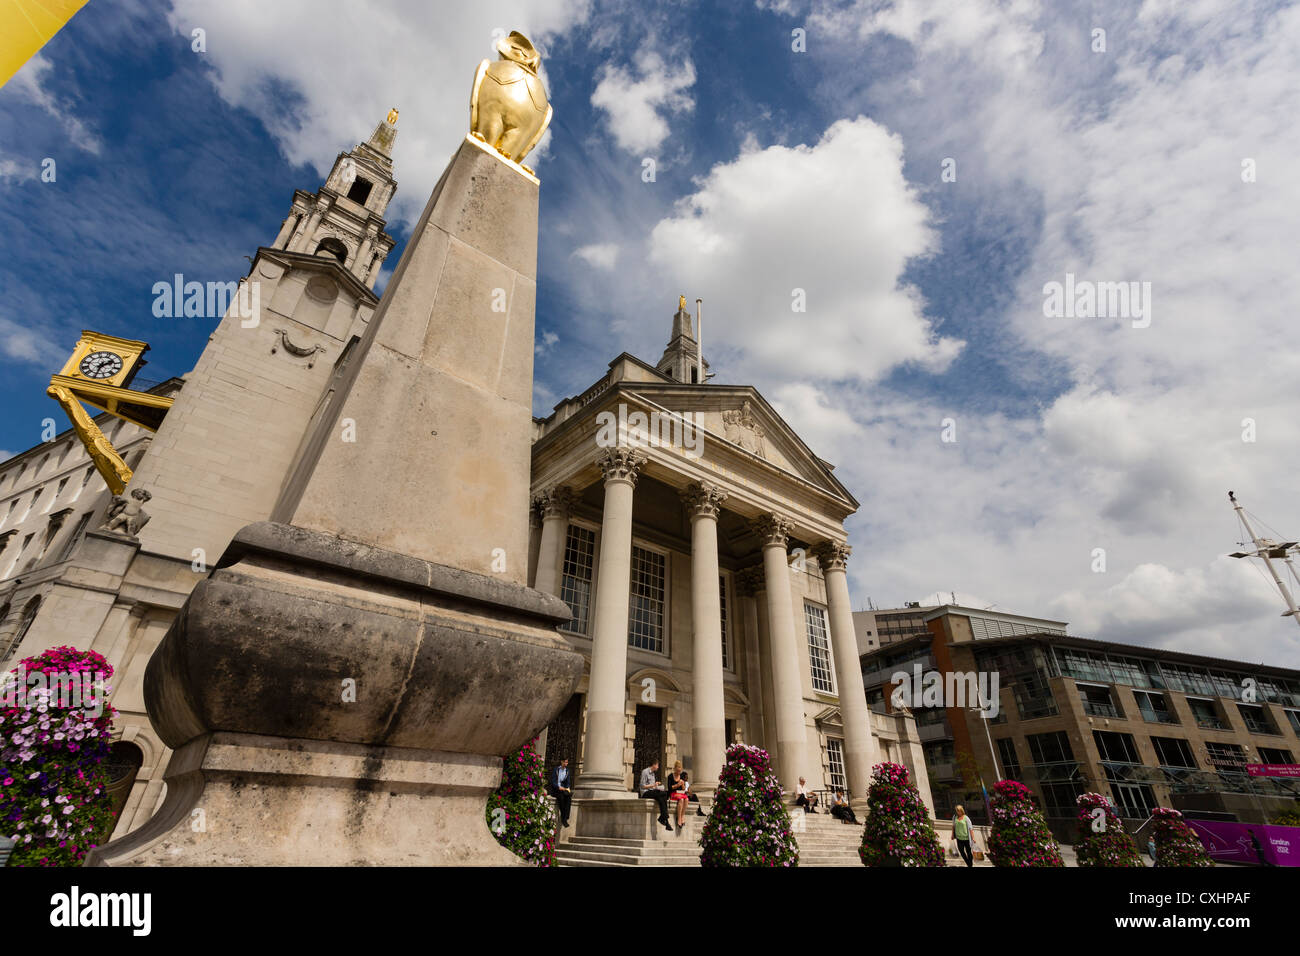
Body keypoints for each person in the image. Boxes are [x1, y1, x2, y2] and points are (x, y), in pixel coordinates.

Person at [640, 760, 672, 830]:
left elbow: (653, 787)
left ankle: (665, 820)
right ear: (654, 765)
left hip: (652, 791)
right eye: (657, 765)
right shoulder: (645, 772)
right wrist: (653, 785)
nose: (658, 767)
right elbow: (642, 786)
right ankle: (663, 819)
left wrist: (656, 785)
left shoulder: (653, 774)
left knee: (663, 796)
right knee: (663, 794)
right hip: (645, 793)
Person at [548, 757, 572, 828]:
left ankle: (566, 817)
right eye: (565, 762)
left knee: (568, 798)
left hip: (563, 789)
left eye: (567, 762)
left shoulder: (567, 771)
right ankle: (563, 819)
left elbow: (568, 782)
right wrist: (558, 787)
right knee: (561, 798)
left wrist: (567, 787)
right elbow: (553, 781)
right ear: (561, 762)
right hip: (556, 789)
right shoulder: (556, 770)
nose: (566, 764)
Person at [667, 761, 690, 829]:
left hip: (680, 793)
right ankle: (679, 818)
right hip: (673, 793)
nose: (678, 773)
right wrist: (677, 785)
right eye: (677, 771)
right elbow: (669, 788)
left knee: (686, 799)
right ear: (675, 769)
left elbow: (683, 789)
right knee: (681, 799)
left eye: (680, 771)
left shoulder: (681, 777)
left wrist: (682, 784)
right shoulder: (670, 776)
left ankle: (682, 815)